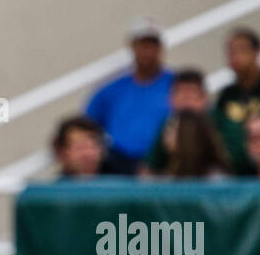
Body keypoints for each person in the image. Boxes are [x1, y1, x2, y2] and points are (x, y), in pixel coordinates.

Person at [85, 17, 174, 173]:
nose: (147, 51)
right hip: (119, 164)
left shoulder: (177, 85)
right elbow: (87, 124)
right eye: (142, 45)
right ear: (132, 47)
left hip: (165, 165)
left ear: (160, 48)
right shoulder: (111, 89)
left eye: (152, 45)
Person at [147, 69, 246, 175]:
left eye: (191, 92)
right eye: (180, 92)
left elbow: (236, 160)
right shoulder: (168, 124)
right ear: (171, 98)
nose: (185, 98)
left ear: (204, 98)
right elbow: (152, 165)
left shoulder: (222, 121)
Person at [216, 27, 260, 126]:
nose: (235, 57)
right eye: (231, 52)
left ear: (256, 52)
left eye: (241, 50)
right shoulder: (227, 95)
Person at [153, 110, 232, 178]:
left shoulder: (214, 178)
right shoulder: (169, 172)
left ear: (187, 136)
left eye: (171, 129)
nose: (165, 134)